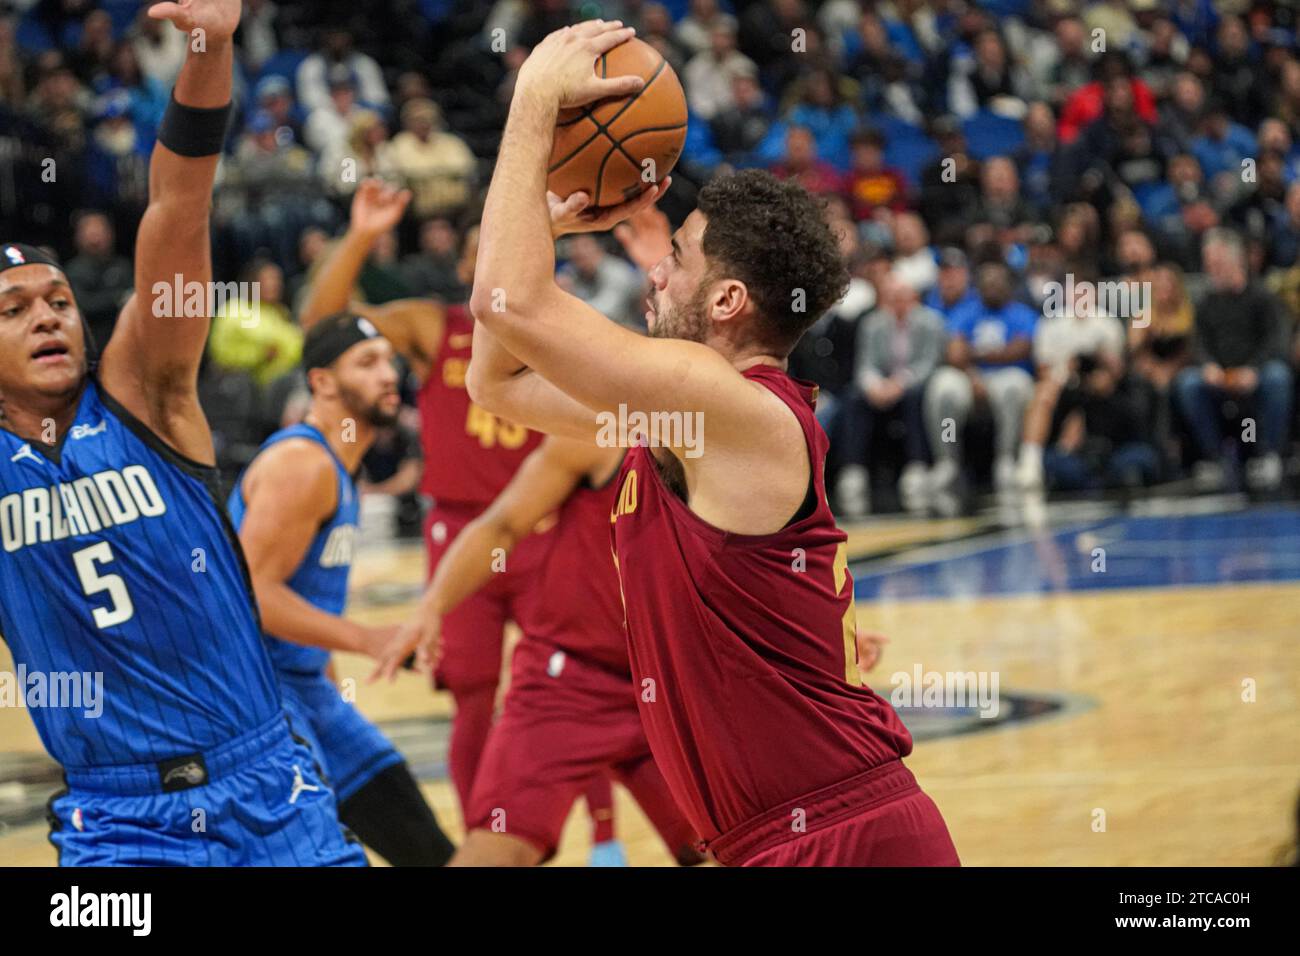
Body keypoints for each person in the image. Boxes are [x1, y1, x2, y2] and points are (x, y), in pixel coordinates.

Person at [459, 20, 958, 867]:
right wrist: (550, 226)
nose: (654, 269)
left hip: (843, 835)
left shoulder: (720, 407)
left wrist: (536, 101)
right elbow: (497, 382)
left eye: (678, 259)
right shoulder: (683, 424)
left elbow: (507, 303)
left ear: (727, 303)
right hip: (778, 840)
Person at [0, 0, 362, 867]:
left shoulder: (144, 396)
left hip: (267, 785)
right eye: (13, 311)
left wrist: (208, 48)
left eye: (58, 303)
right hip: (112, 820)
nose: (49, 318)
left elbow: (178, 205)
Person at [299, 178, 623, 863]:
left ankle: (604, 838)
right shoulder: (431, 326)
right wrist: (360, 236)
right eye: (487, 251)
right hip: (462, 533)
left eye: (516, 249)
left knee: (574, 680)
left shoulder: (563, 337)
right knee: (474, 697)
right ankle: (488, 839)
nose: (501, 263)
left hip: (547, 526)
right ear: (467, 268)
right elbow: (323, 326)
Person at [377, 435, 702, 867]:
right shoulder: (594, 434)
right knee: (492, 852)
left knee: (728, 846)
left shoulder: (732, 436)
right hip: (567, 680)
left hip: (672, 686)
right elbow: (501, 525)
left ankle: (608, 838)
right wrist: (433, 605)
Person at [228, 314, 456, 867]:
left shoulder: (339, 464)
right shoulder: (301, 464)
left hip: (307, 690)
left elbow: (306, 591)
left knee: (429, 851)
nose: (388, 374)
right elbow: (255, 594)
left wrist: (328, 669)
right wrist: (367, 639)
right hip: (255, 700)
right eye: (367, 362)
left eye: (388, 359)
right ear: (322, 381)